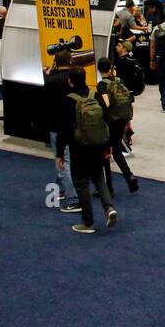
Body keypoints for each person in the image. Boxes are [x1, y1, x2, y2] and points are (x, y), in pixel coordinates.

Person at [55, 67, 117, 234]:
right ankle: (109, 207)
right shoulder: (94, 95)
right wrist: (108, 144)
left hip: (79, 147)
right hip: (98, 143)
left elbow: (64, 130)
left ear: (70, 81)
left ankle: (88, 222)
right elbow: (106, 119)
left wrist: (59, 153)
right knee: (98, 177)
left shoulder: (68, 100)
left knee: (81, 182)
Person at [95, 58, 139, 195]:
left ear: (99, 69)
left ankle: (108, 187)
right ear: (110, 68)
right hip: (122, 119)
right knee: (116, 149)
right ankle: (129, 175)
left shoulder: (102, 85)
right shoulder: (118, 81)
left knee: (106, 152)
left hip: (110, 121)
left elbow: (106, 104)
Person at [43, 50, 77, 212]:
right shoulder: (75, 78)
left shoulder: (51, 81)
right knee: (67, 159)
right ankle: (61, 188)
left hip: (57, 125)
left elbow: (45, 102)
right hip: (75, 124)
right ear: (70, 61)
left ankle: (74, 198)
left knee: (62, 161)